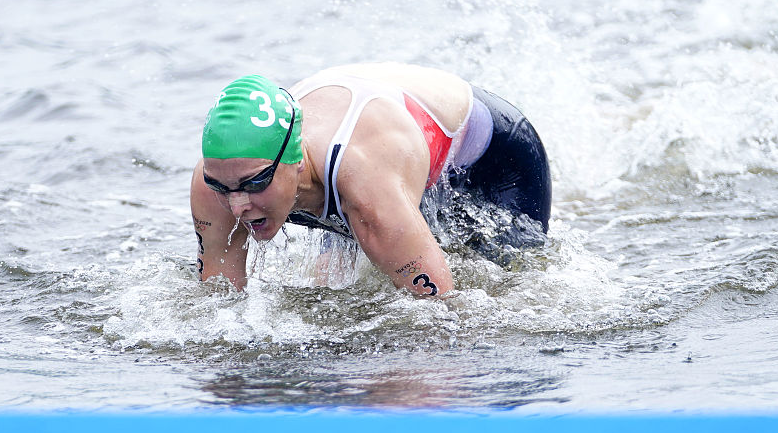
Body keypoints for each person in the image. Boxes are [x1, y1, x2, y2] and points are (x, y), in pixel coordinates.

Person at [191, 62, 551, 297]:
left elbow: (443, 314)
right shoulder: (219, 177)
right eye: (223, 188)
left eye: (255, 184)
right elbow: (221, 306)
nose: (237, 205)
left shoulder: (365, 184)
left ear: (296, 161)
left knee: (510, 283)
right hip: (369, 137)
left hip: (491, 155)